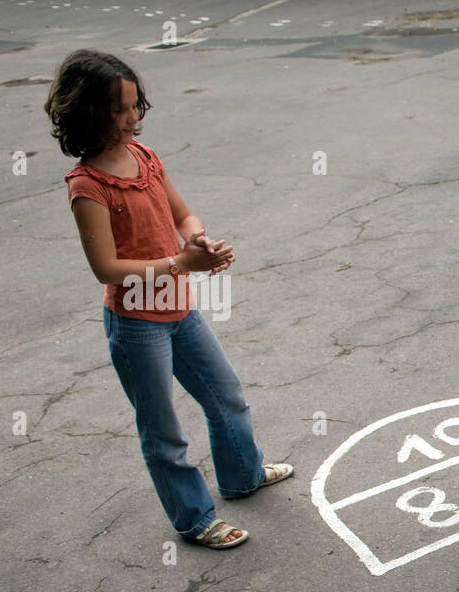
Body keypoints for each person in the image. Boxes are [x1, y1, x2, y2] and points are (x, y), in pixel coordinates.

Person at [47, 50, 292, 549]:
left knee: (227, 397)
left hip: (179, 309)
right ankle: (195, 518)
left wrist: (198, 240)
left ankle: (242, 475)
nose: (132, 117)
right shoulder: (88, 185)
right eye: (120, 109)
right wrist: (183, 264)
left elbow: (183, 216)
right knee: (163, 433)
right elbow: (107, 268)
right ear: (90, 112)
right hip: (138, 322)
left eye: (136, 105)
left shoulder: (145, 158)